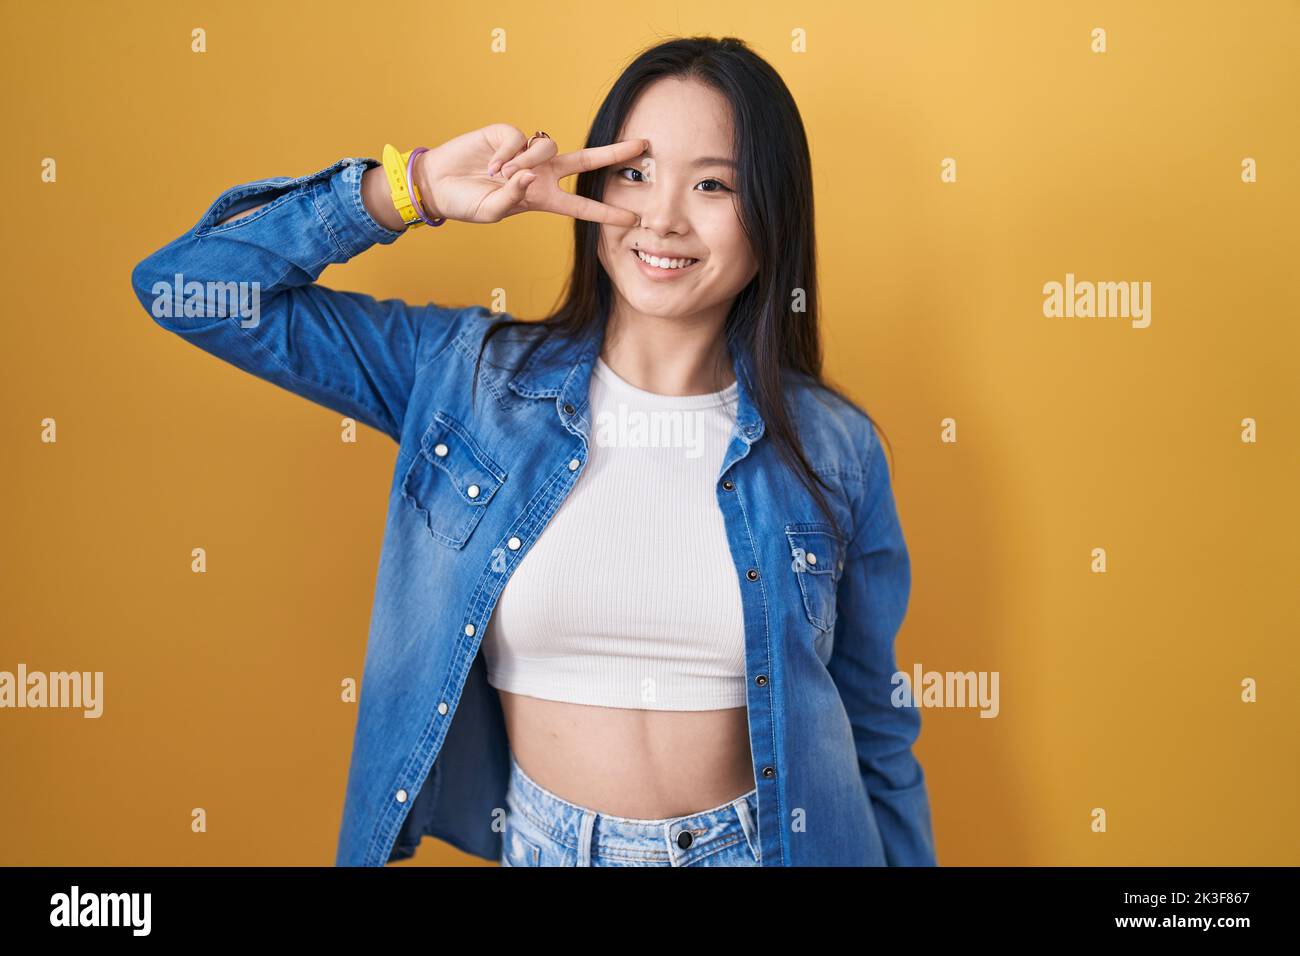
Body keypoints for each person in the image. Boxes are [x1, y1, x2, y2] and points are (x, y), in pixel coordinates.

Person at [130, 35, 937, 867]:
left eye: (713, 184)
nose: (662, 216)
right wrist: (408, 191)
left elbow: (874, 726)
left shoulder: (836, 450)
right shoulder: (466, 380)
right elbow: (186, 290)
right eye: (636, 171)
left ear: (772, 213)